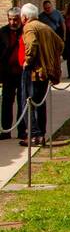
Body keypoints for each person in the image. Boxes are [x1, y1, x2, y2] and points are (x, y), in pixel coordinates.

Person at [19, 3, 63, 145]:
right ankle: (41, 135)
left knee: (28, 103)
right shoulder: (45, 27)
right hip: (44, 72)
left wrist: (28, 60)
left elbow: (32, 44)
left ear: (25, 17)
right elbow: (60, 44)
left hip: (34, 71)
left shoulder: (29, 27)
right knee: (40, 104)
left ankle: (33, 135)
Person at [0, 8, 26, 142]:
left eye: (15, 19)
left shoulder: (26, 31)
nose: (13, 22)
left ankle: (22, 130)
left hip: (22, 72)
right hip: (8, 73)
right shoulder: (3, 32)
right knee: (6, 102)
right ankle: (6, 130)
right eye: (10, 19)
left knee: (23, 101)